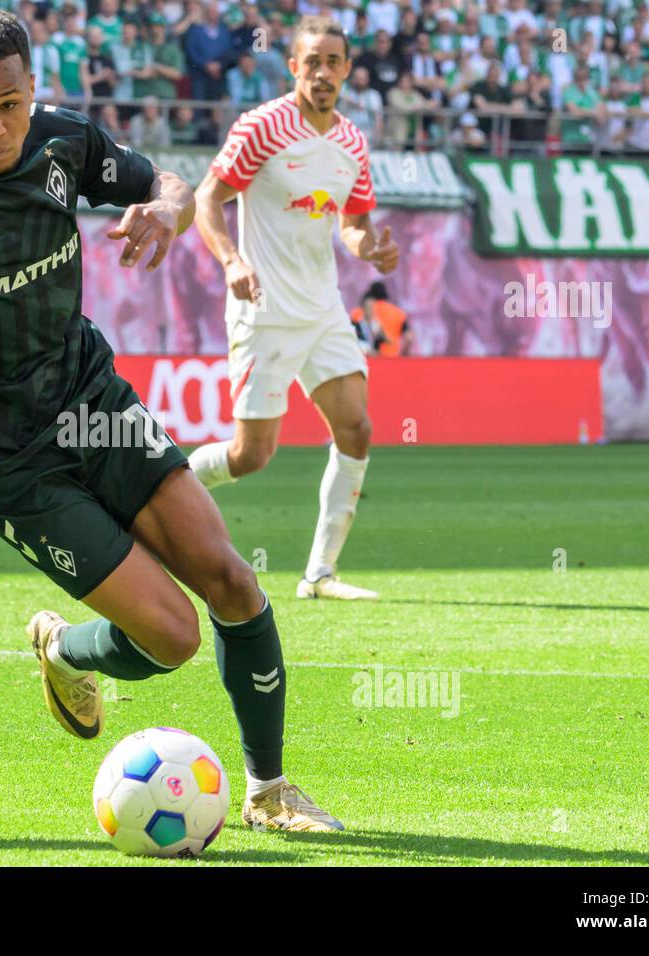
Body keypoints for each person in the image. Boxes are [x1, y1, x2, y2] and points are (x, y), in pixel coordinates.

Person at [0, 7, 346, 833]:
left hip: (91, 399)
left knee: (232, 582)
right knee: (173, 636)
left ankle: (269, 792)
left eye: (10, 104)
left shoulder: (63, 140)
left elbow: (164, 181)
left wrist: (164, 209)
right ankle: (63, 648)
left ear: (31, 91)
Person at [188, 16, 401, 602]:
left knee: (356, 429)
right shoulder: (263, 127)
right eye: (313, 61)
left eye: (334, 62)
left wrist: (372, 249)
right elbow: (208, 198)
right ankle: (169, 483)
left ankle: (319, 575)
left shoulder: (352, 142)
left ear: (348, 69)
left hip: (324, 309)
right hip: (264, 311)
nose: (324, 72)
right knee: (250, 455)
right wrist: (231, 260)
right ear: (294, 67)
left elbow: (353, 228)